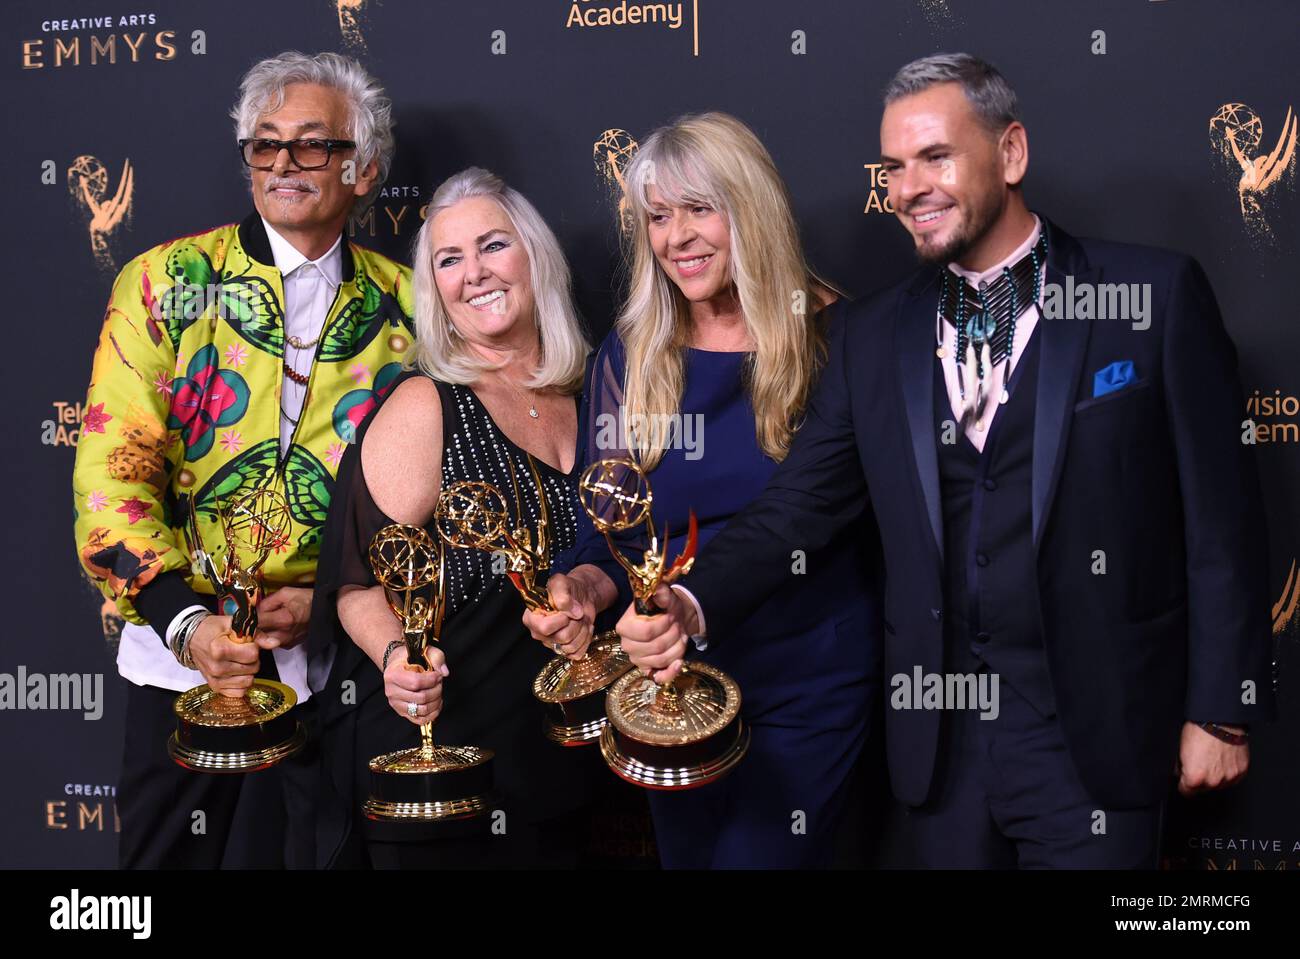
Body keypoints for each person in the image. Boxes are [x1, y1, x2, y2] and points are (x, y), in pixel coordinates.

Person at [619, 54, 1276, 869]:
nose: (908, 187)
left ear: (1010, 154)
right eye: (894, 167)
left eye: (936, 157)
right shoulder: (871, 334)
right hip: (937, 752)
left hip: (1096, 740)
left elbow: (1222, 521)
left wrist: (1221, 710)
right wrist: (689, 599)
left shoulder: (1152, 296)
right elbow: (798, 508)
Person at [72, 51, 414, 868]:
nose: (284, 165)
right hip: (178, 668)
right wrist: (186, 626)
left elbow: (423, 502)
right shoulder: (163, 282)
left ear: (363, 169)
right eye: (264, 146)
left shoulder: (411, 304)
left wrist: (329, 601)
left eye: (311, 146)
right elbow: (109, 478)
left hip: (337, 675)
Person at [524, 112, 883, 868]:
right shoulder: (632, 349)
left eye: (699, 208)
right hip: (669, 684)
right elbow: (608, 524)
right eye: (658, 216)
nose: (676, 236)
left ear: (749, 209)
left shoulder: (838, 339)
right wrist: (585, 590)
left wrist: (691, 606)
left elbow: (805, 517)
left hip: (805, 683)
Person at [308, 167, 599, 868]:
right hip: (438, 762)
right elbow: (355, 584)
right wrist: (394, 659)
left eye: (493, 245)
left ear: (534, 255)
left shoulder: (597, 392)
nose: (474, 273)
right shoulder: (426, 404)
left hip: (558, 761)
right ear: (433, 288)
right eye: (448, 259)